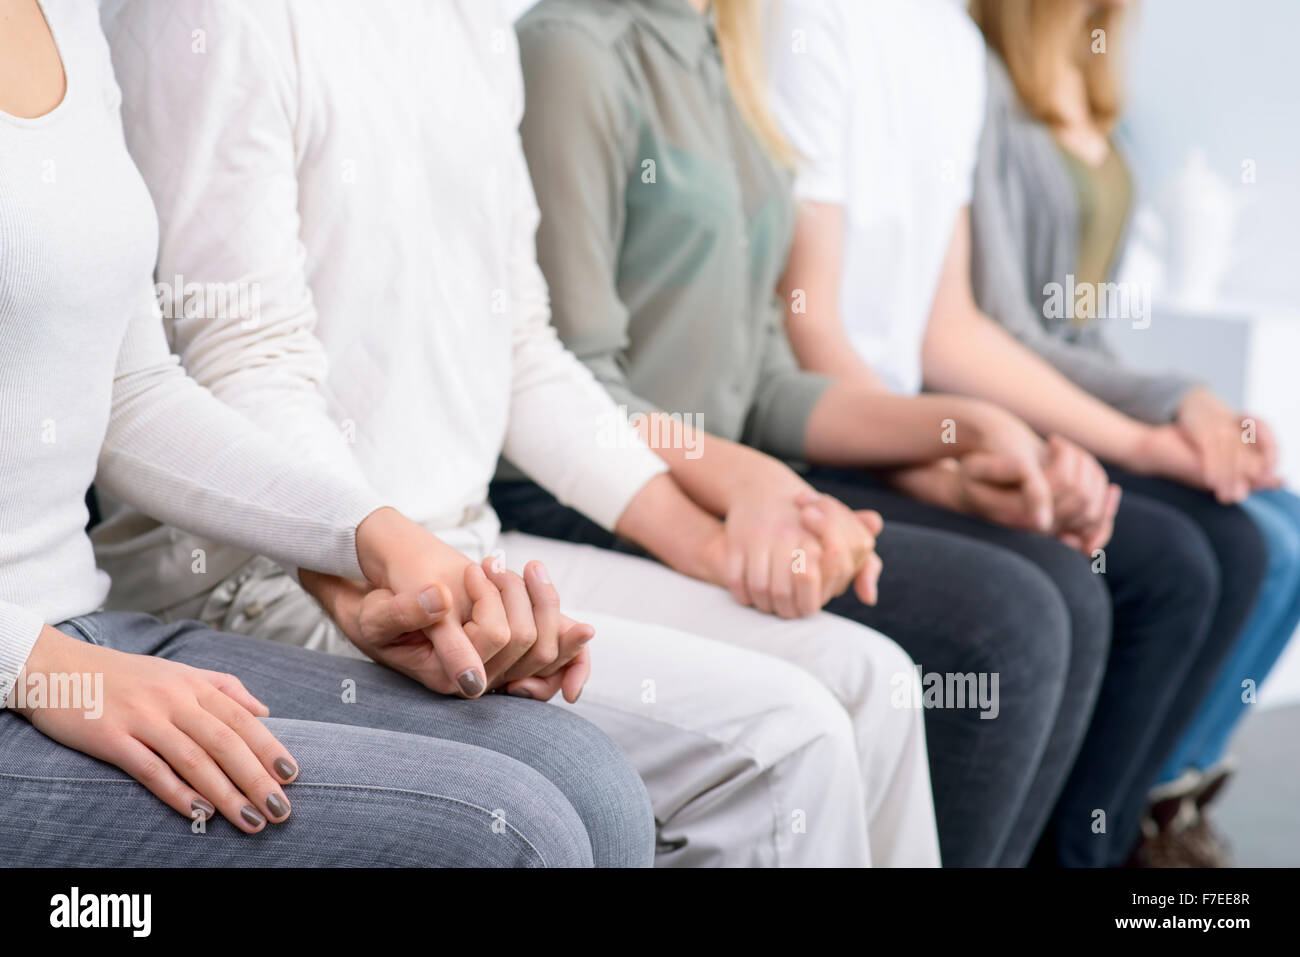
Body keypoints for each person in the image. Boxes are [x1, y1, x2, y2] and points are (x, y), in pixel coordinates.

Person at [95, 0, 940, 866]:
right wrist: (395, 555)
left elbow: (525, 351)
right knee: (783, 742)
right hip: (273, 578)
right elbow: (245, 363)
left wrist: (703, 540)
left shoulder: (470, 24)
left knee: (875, 683)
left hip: (466, 548)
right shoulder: (213, 18)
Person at [0, 0, 654, 867]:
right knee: (503, 832)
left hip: (85, 627)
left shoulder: (68, 17)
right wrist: (38, 664)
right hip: (30, 661)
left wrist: (372, 540)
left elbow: (130, 391)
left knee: (587, 775)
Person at [498, 0, 1116, 867]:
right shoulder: (571, 49)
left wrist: (957, 434)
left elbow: (768, 379)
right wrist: (759, 489)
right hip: (588, 493)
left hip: (726, 472)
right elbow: (572, 382)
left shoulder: (723, 53)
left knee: (1056, 595)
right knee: (1007, 624)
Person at [767, 0, 1271, 866]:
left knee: (1226, 544)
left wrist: (1131, 440)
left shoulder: (953, 45)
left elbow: (948, 327)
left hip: (900, 421)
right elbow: (810, 337)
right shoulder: (809, 22)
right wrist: (956, 450)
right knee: (1065, 596)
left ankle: (1099, 845)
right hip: (823, 435)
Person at [967, 0, 1300, 864]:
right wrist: (1163, 410)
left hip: (1077, 378)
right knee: (1210, 553)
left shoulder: (1099, 84)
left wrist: (1175, 406)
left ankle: (1166, 785)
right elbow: (1007, 330)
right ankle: (1097, 833)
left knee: (1285, 527)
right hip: (1013, 395)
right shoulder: (986, 86)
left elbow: (1084, 328)